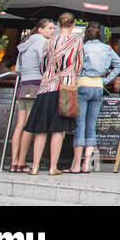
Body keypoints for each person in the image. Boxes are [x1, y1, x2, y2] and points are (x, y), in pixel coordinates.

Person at [24, 12, 83, 175]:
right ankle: (52, 167)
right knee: (58, 129)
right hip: (65, 88)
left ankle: (35, 166)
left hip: (46, 87)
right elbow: (79, 66)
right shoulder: (76, 42)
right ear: (73, 25)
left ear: (58, 24)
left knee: (41, 129)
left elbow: (43, 65)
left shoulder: (49, 42)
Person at [71, 22, 120, 173]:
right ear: (100, 34)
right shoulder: (106, 48)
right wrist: (105, 80)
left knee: (80, 124)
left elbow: (74, 66)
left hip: (83, 84)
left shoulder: (81, 47)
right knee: (91, 126)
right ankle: (86, 163)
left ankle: (76, 164)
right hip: (98, 86)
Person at [9, 19, 54, 172]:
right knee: (29, 124)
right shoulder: (42, 42)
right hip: (35, 83)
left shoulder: (24, 45)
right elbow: (46, 65)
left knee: (19, 124)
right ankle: (21, 161)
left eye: (53, 28)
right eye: (49, 28)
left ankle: (13, 161)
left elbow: (18, 68)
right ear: (40, 30)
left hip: (23, 83)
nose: (52, 31)